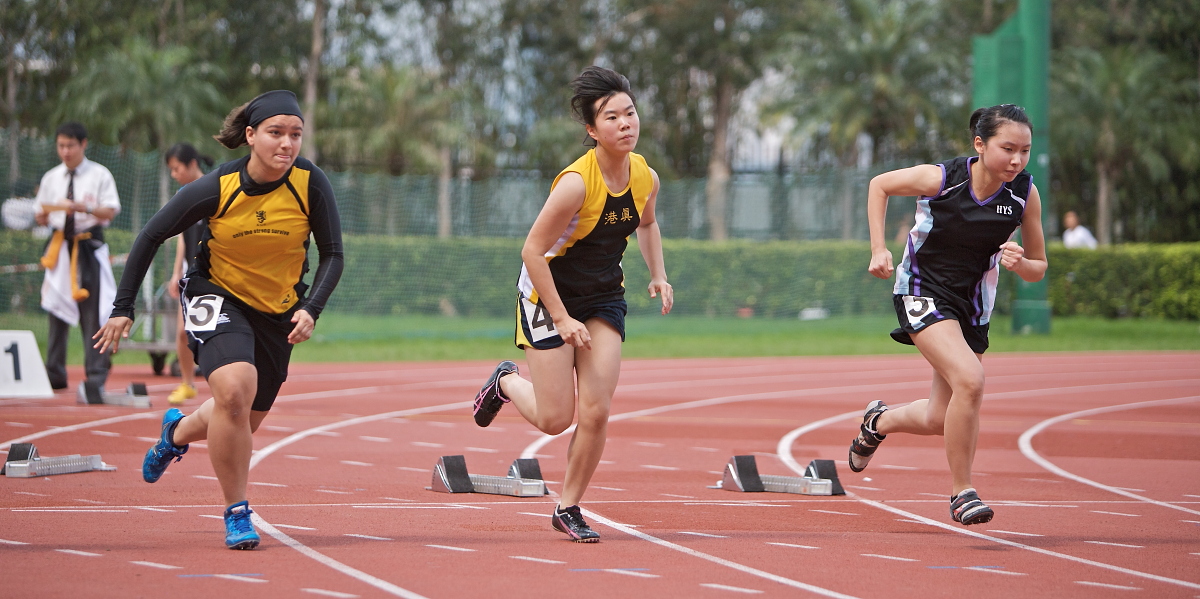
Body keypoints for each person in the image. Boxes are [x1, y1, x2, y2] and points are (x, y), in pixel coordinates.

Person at [94, 90, 344, 549]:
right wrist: (122, 308)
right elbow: (151, 234)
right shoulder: (217, 186)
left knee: (241, 419)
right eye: (275, 133)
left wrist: (311, 309)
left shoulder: (310, 183)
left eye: (295, 135)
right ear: (250, 136)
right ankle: (237, 512)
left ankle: (175, 432)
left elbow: (333, 255)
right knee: (232, 392)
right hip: (217, 294)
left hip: (278, 310)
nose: (286, 144)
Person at [472, 66, 673, 542]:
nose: (625, 123)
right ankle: (505, 382)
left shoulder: (645, 175)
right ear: (591, 130)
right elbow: (531, 251)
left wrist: (659, 274)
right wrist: (560, 318)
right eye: (611, 117)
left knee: (598, 410)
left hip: (603, 296)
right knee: (555, 418)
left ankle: (569, 506)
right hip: (547, 293)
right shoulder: (576, 185)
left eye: (630, 113)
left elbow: (646, 224)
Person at [848, 104, 1047, 526]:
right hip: (921, 291)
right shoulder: (941, 179)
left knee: (942, 417)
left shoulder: (1024, 195)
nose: (1017, 159)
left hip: (971, 306)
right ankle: (962, 492)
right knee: (971, 381)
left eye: (1025, 151)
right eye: (1007, 148)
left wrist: (1018, 262)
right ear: (980, 144)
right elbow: (879, 184)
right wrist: (878, 248)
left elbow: (1039, 267)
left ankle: (877, 420)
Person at [33, 122, 120, 391]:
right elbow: (39, 214)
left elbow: (111, 211)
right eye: (61, 145)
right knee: (55, 307)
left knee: (91, 312)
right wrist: (46, 213)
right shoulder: (52, 177)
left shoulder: (99, 174)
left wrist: (86, 207)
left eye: (70, 145)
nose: (66, 151)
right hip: (60, 246)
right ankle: (55, 373)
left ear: (83, 144)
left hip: (88, 244)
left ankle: (96, 373)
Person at [162, 143, 215, 406]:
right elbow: (183, 237)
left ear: (192, 164)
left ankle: (227, 384)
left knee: (212, 330)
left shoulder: (214, 190)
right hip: (190, 275)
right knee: (183, 331)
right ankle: (187, 383)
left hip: (215, 275)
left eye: (176, 169)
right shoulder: (184, 194)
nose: (173, 174)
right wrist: (175, 273)